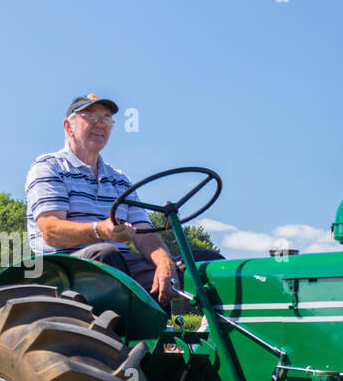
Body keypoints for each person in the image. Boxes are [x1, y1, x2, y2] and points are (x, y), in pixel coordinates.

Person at [25, 94, 222, 302]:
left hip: (119, 264)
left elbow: (144, 235)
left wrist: (165, 263)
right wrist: (100, 230)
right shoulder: (49, 167)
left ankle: (215, 331)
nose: (100, 124)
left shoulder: (118, 179)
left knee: (205, 263)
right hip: (64, 269)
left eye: (107, 118)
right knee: (106, 255)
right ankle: (115, 328)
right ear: (68, 126)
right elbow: (51, 231)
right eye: (90, 117)